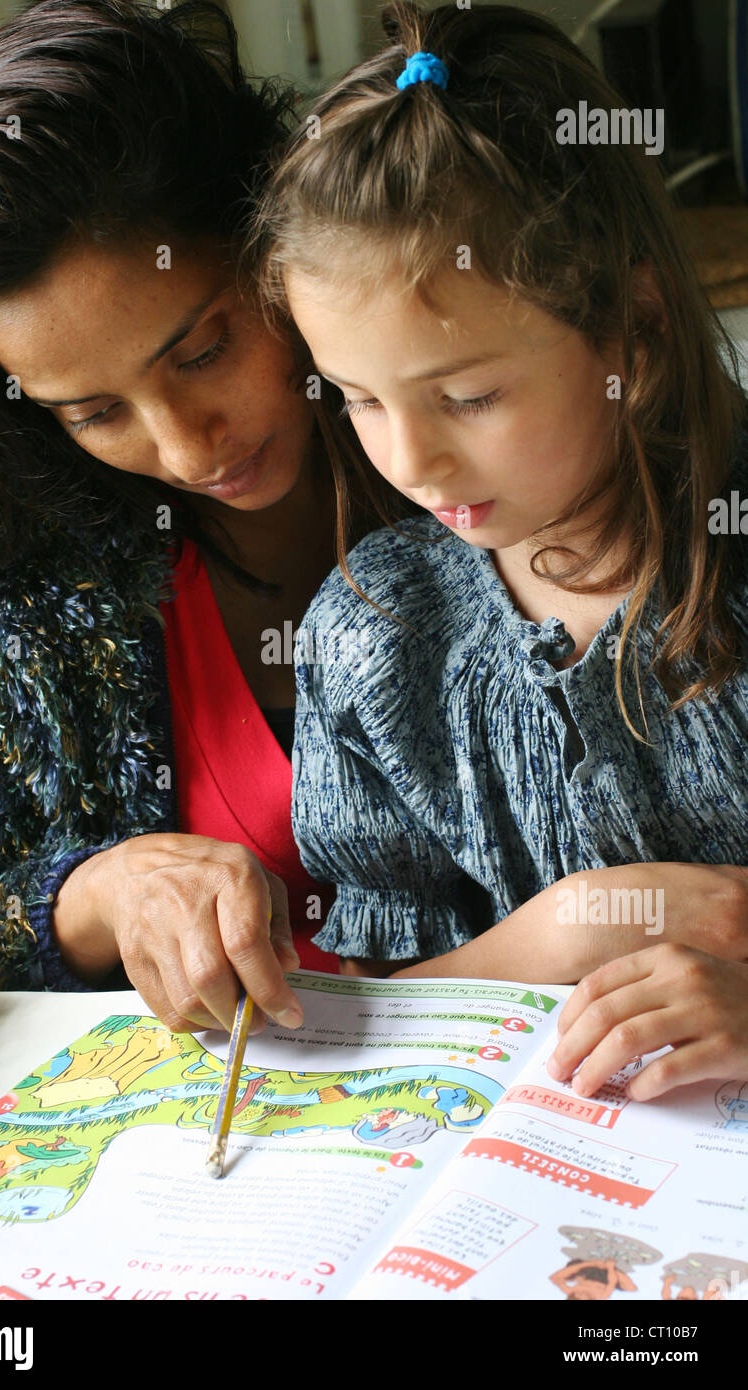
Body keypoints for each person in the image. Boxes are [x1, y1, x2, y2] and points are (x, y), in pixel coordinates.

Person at [0, 0, 414, 1035]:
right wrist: (94, 894)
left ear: (275, 237)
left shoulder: (489, 452)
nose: (183, 447)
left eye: (203, 351)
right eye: (93, 411)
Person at [249, 1, 748, 1098]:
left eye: (467, 395)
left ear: (636, 331)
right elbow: (376, 993)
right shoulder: (374, 638)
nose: (411, 461)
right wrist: (561, 935)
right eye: (357, 400)